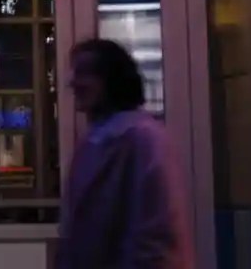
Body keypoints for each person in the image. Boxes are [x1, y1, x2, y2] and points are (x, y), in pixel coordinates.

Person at [58, 38, 191, 269]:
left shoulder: (142, 138)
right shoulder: (93, 140)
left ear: (112, 79)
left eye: (86, 73)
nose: (74, 83)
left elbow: (155, 231)